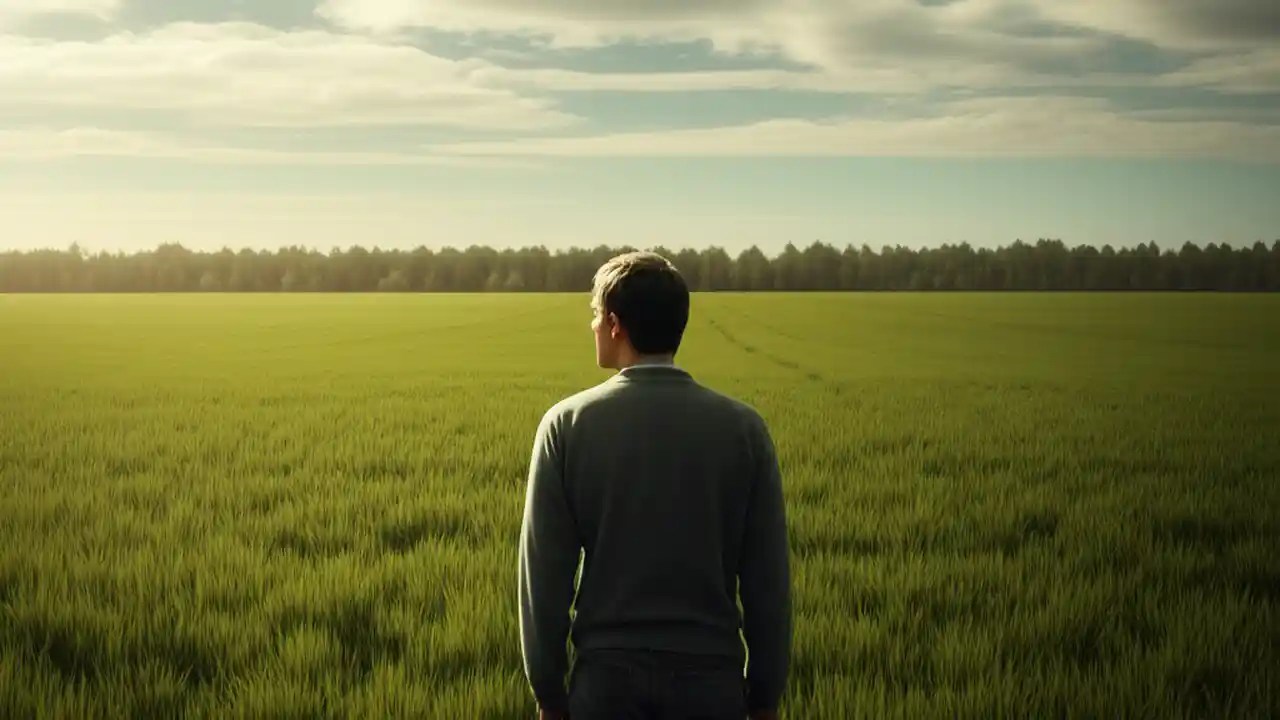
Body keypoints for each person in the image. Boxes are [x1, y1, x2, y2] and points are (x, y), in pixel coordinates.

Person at [518, 251, 792, 719]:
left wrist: (548, 691)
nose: (592, 328)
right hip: (711, 688)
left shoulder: (566, 425)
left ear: (615, 324)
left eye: (595, 317)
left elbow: (544, 576)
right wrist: (764, 698)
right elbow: (768, 580)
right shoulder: (745, 430)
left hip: (605, 687)